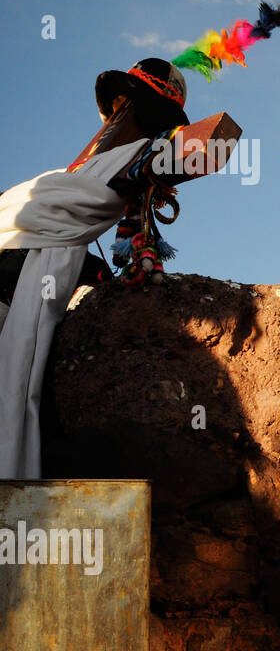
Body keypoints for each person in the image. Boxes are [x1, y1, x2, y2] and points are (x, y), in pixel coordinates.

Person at [0, 58, 189, 478]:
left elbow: (217, 140)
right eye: (120, 102)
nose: (120, 111)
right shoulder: (63, 181)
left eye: (131, 103)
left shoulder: (136, 163)